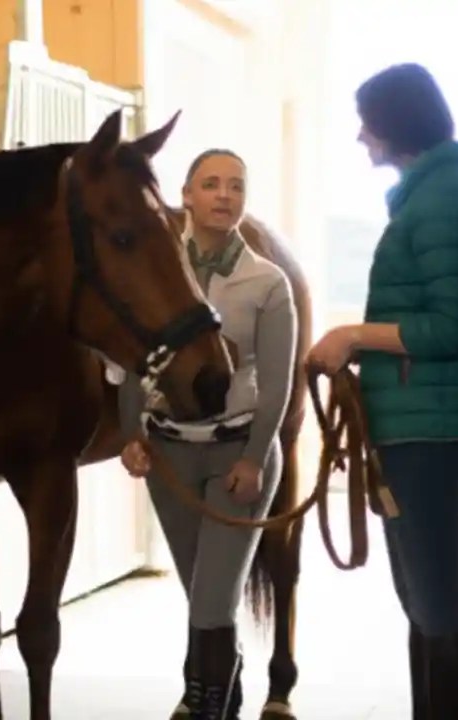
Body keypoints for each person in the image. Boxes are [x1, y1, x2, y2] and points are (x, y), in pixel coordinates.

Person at [305, 63, 458, 719]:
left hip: (429, 430)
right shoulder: (435, 195)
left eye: (368, 121)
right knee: (423, 604)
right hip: (418, 424)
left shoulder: (443, 201)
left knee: (437, 606)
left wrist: (355, 337)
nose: (361, 136)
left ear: (397, 125)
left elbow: (454, 326)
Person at [118, 148, 297, 720]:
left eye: (237, 186)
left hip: (238, 454)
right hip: (171, 456)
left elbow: (276, 383)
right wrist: (131, 434)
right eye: (211, 184)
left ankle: (205, 707)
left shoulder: (266, 284)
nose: (225, 195)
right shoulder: (153, 277)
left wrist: (252, 458)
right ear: (187, 196)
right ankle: (227, 682)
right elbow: (129, 366)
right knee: (201, 595)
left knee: (214, 602)